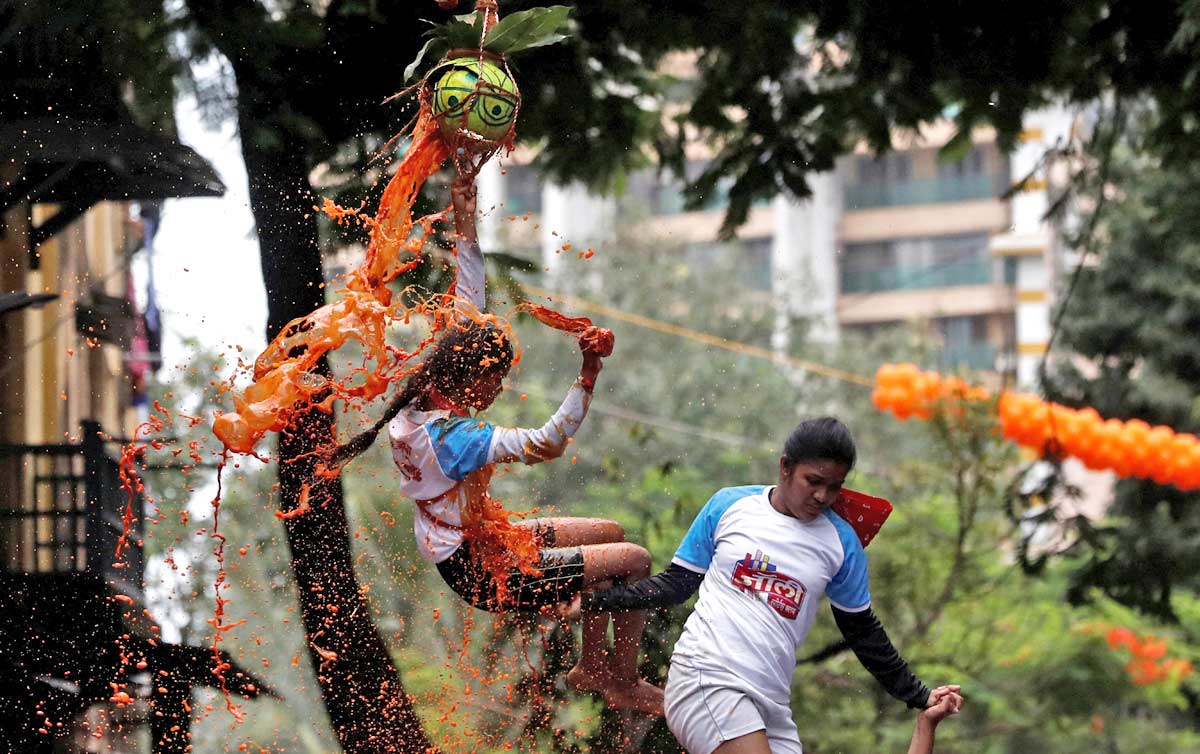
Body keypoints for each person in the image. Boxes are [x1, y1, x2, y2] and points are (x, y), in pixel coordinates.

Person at [382, 178, 662, 714]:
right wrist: (587, 375)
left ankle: (593, 663)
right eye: (494, 382)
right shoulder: (453, 439)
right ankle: (619, 678)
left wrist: (465, 220)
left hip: (484, 538)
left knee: (611, 535)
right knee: (635, 559)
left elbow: (469, 300)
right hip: (482, 571)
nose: (497, 391)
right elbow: (546, 442)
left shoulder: (430, 390)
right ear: (471, 381)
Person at [578, 416, 960, 753]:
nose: (823, 496)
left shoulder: (842, 543)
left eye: (834, 486)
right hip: (707, 678)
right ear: (785, 468)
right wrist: (597, 602)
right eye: (814, 481)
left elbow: (863, 633)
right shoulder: (729, 506)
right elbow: (675, 586)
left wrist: (921, 697)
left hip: (771, 704)